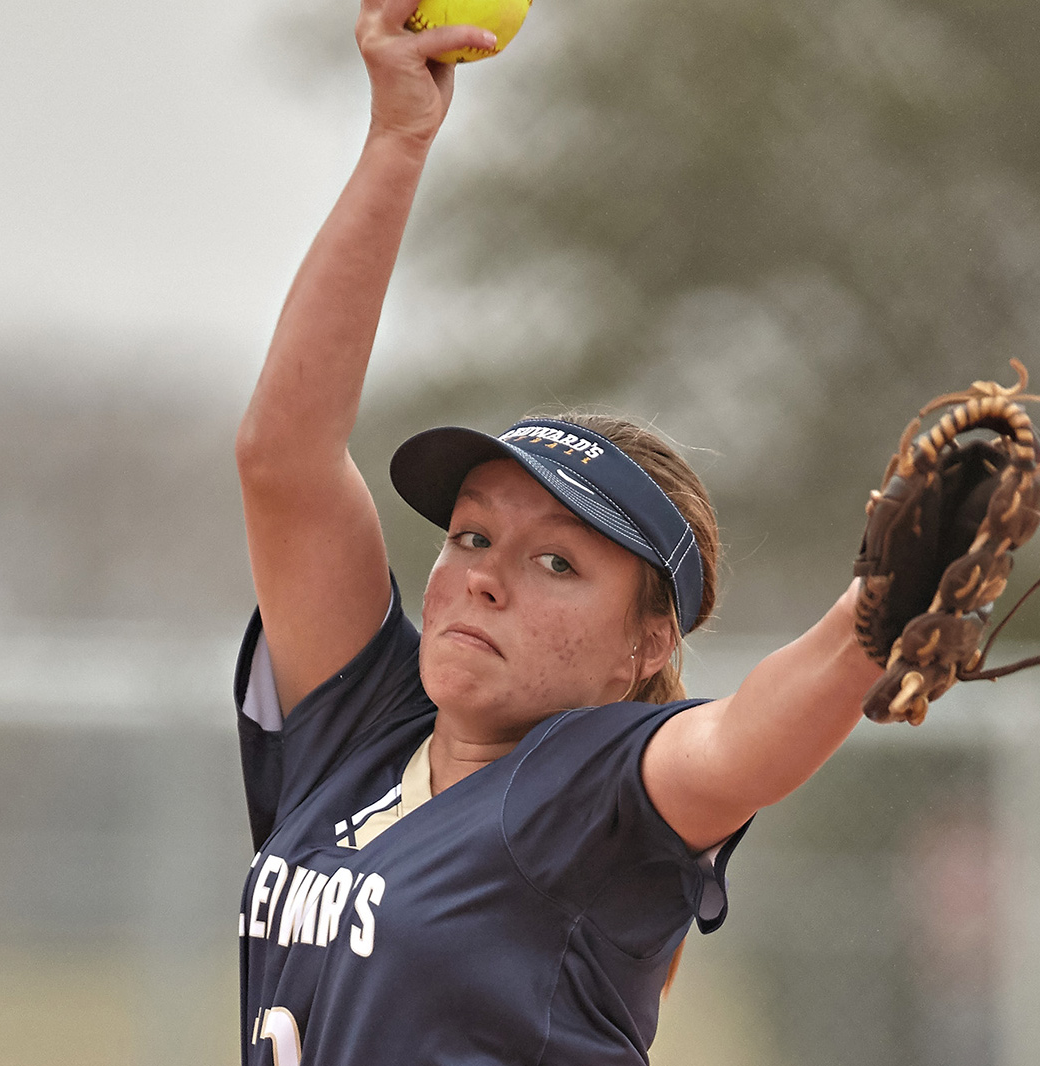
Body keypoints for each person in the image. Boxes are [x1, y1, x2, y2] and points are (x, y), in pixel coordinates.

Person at [231, 0, 884, 1061]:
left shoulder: (589, 795)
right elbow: (284, 459)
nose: (486, 579)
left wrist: (878, 613)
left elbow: (740, 741)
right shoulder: (359, 732)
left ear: (648, 643)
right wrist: (398, 138)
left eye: (557, 562)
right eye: (474, 537)